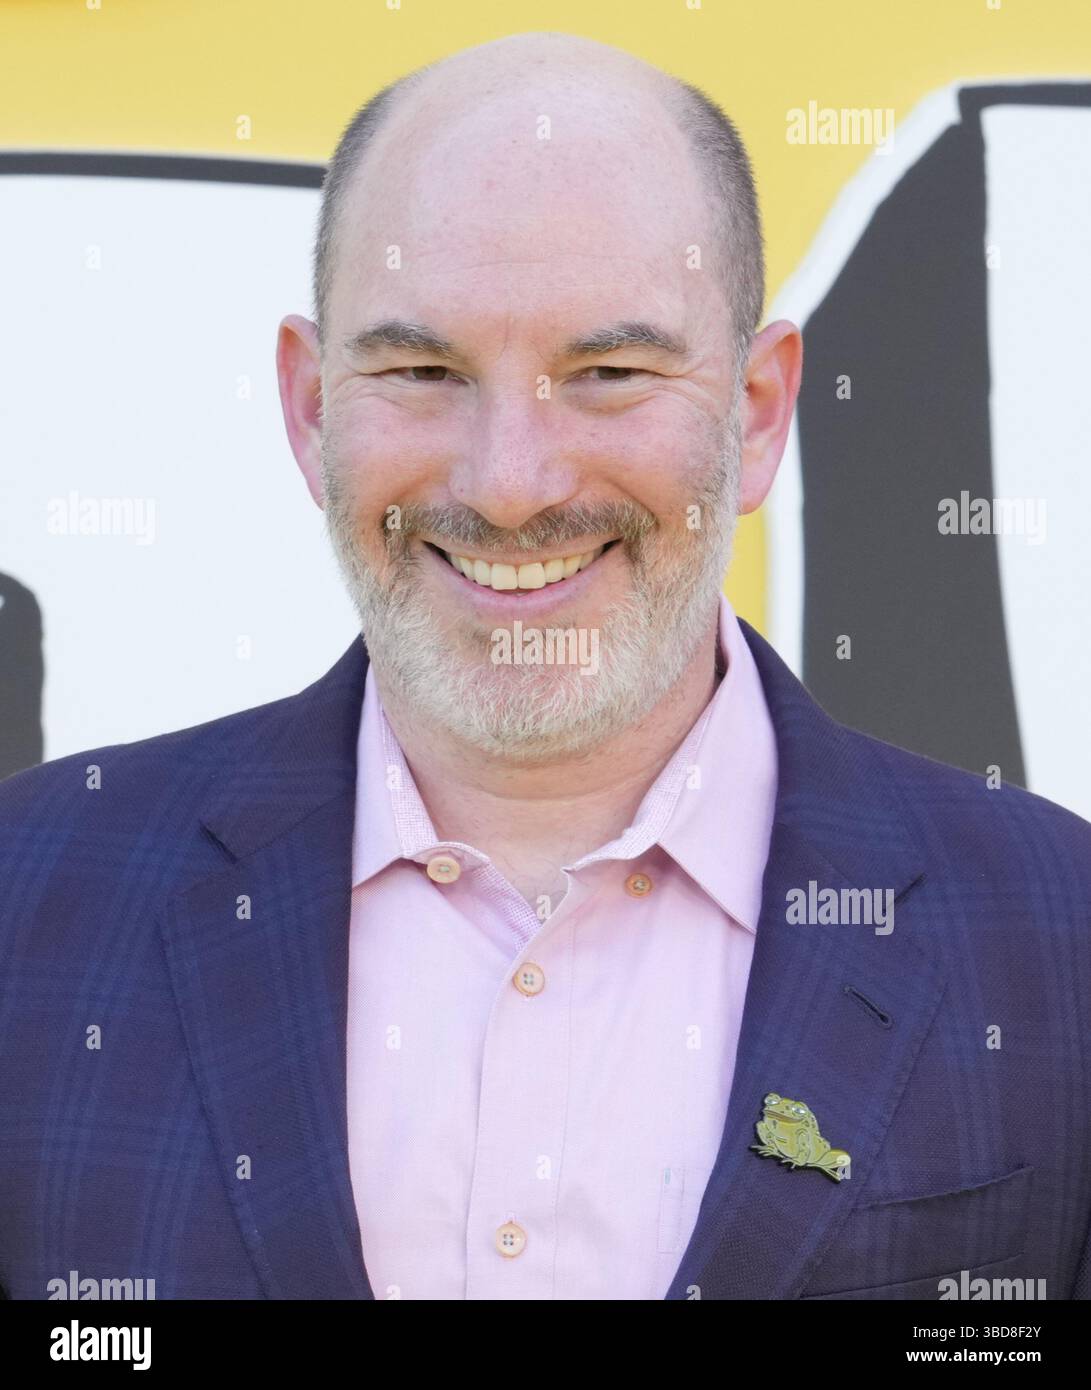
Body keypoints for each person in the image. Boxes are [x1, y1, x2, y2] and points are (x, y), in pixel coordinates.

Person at [1, 31, 1088, 1302]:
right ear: (308, 408)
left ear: (755, 411)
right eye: (420, 371)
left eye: (609, 372)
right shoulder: (28, 904)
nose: (510, 484)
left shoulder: (1056, 936)